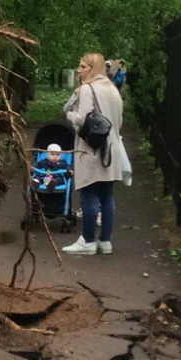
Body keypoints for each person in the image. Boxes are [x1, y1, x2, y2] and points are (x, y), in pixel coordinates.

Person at [63, 53, 124, 254]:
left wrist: (69, 114)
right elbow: (119, 121)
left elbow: (81, 118)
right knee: (107, 196)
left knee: (89, 194)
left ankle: (87, 242)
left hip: (92, 149)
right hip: (111, 147)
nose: (79, 70)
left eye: (83, 67)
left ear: (93, 68)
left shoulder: (88, 89)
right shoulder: (112, 89)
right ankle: (105, 241)